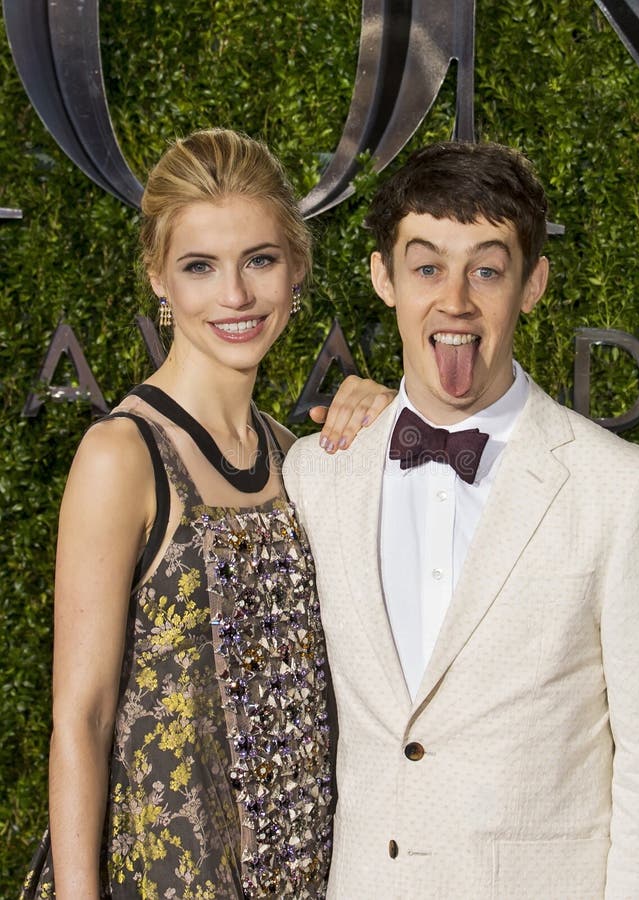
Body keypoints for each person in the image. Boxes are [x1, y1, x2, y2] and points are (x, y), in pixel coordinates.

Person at [284, 141, 639, 898]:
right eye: (427, 268)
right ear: (384, 278)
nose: (455, 300)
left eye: (486, 270)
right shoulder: (316, 475)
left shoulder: (627, 492)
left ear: (532, 284)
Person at [22, 128, 393, 900]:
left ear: (296, 268)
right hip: (157, 877)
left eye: (259, 260)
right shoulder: (122, 455)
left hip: (296, 876)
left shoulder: (295, 458)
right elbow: (82, 719)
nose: (235, 296)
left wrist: (395, 421)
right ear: (158, 277)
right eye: (200, 266)